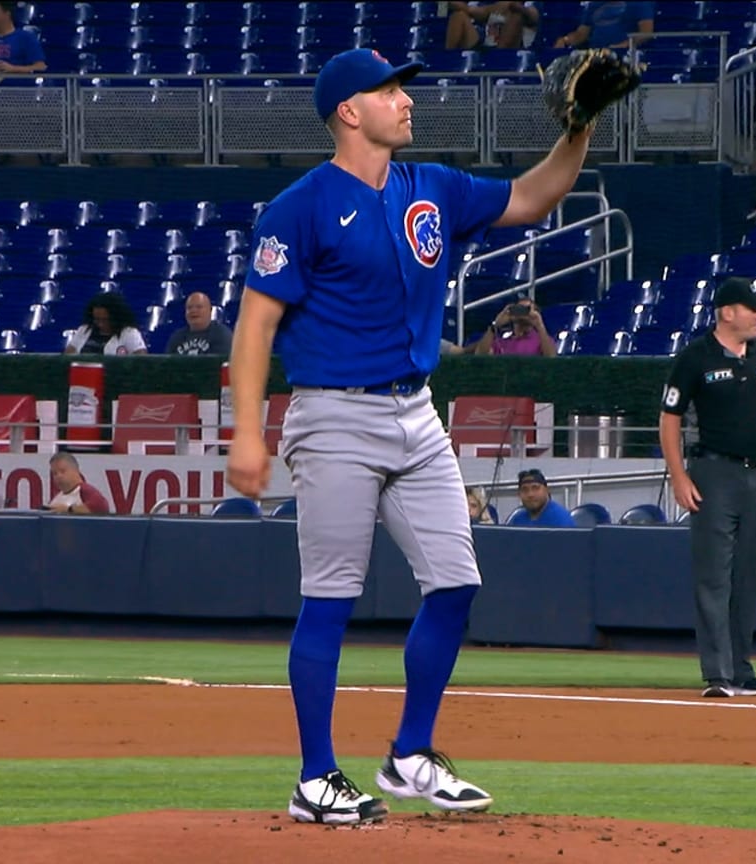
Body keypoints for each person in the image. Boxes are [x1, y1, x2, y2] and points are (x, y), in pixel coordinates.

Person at [224, 47, 601, 826]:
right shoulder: (300, 206)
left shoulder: (431, 186)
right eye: (389, 89)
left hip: (416, 412)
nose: (406, 100)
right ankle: (315, 777)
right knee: (330, 598)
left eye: (404, 88)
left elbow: (534, 197)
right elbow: (256, 324)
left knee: (456, 583)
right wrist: (245, 434)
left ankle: (410, 754)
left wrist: (582, 128)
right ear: (348, 111)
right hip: (333, 416)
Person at [659, 277, 756, 700]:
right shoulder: (694, 358)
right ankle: (717, 673)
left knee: (748, 574)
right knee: (713, 574)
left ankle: (742, 669)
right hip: (714, 473)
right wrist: (679, 476)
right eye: (752, 308)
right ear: (727, 312)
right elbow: (670, 417)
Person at [0, 2, 46, 78]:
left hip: (16, 87)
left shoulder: (26, 37)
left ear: (7, 14)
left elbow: (40, 67)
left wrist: (13, 69)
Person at [64, 293, 148, 356]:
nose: (100, 324)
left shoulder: (129, 333)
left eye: (105, 320)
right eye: (97, 319)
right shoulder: (84, 330)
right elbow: (67, 356)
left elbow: (141, 361)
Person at [472, 297, 556, 356]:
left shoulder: (541, 340)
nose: (522, 313)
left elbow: (551, 357)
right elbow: (480, 355)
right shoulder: (502, 341)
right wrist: (495, 325)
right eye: (519, 309)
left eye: (526, 309)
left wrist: (539, 324)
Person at [554, 1, 654, 49]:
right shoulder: (593, 4)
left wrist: (626, 45)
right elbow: (581, 34)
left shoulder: (640, 3)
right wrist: (566, 40)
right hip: (596, 55)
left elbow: (646, 33)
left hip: (626, 56)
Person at [445, 1, 540, 51]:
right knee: (458, 16)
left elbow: (532, 16)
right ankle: (446, 62)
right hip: (487, 50)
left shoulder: (531, 9)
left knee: (516, 17)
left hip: (513, 53)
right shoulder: (499, 6)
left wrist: (513, 6)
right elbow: (470, 10)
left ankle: (498, 57)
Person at [165, 292, 234, 355]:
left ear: (210, 310)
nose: (193, 311)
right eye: (189, 308)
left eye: (199, 307)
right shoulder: (177, 337)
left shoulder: (221, 334)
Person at [505, 468, 576, 526]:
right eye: (525, 489)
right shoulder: (518, 519)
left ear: (546, 490)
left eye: (535, 488)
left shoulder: (560, 519)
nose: (530, 494)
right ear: (519, 494)